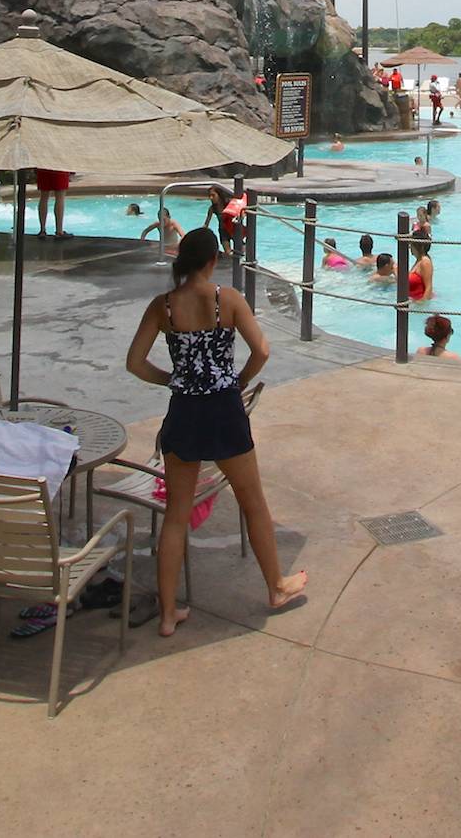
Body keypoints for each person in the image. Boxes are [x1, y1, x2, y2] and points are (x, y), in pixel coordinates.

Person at [124, 228, 307, 632]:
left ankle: (169, 614)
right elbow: (262, 350)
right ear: (211, 261)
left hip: (184, 412)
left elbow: (135, 362)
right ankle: (276, 586)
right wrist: (239, 379)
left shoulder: (164, 307)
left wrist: (171, 379)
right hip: (224, 410)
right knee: (253, 501)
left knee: (175, 515)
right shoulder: (229, 300)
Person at [34, 168, 72, 239]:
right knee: (60, 197)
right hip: (59, 166)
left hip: (43, 166)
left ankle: (42, 230)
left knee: (43, 197)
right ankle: (59, 231)